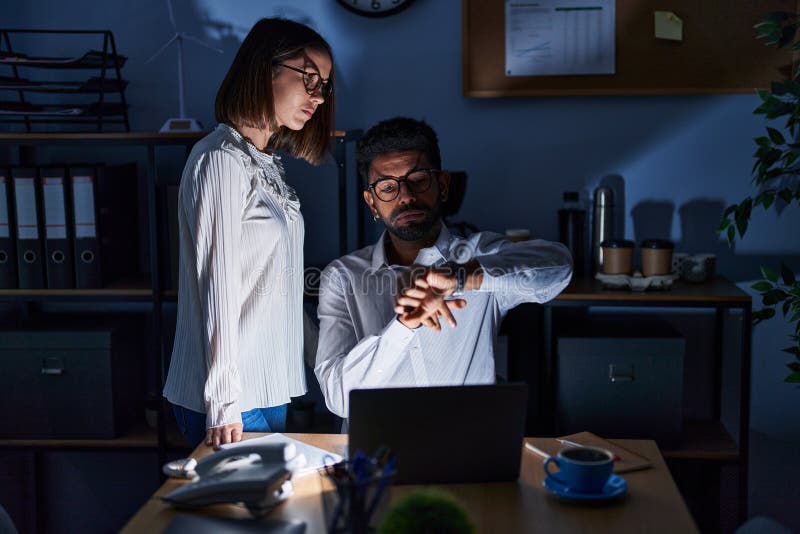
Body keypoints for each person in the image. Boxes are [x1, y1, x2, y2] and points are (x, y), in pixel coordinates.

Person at [314, 117, 573, 418]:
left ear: (443, 185)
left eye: (419, 179)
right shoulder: (342, 277)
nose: (406, 196)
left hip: (467, 446)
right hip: (379, 454)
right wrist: (403, 327)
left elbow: (559, 268)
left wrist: (464, 276)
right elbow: (338, 398)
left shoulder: (480, 253)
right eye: (387, 187)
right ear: (372, 203)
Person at [163, 18, 335, 449]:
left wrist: (325, 367)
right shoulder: (220, 160)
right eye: (309, 77)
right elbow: (216, 291)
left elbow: (276, 287)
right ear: (264, 68)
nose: (318, 95)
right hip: (230, 401)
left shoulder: (264, 163)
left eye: (325, 84)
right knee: (243, 518)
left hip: (266, 389)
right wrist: (223, 402)